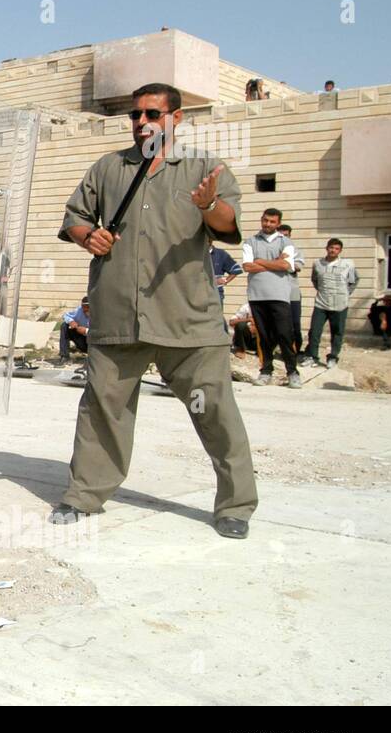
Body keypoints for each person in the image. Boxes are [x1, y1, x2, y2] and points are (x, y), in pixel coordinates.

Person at [51, 82, 258, 540]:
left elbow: (228, 224)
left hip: (188, 319)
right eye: (135, 115)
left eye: (152, 114)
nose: (142, 121)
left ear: (176, 118)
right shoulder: (108, 168)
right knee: (103, 409)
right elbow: (75, 218)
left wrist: (207, 204)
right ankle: (85, 494)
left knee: (216, 412)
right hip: (117, 314)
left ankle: (236, 504)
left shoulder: (205, 169)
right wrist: (91, 237)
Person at [242, 209, 300, 387]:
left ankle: (292, 372)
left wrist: (260, 261)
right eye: (265, 220)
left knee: (284, 333)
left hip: (280, 295)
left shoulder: (286, 242)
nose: (268, 224)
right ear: (261, 220)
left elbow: (287, 265)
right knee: (264, 335)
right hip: (257, 295)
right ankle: (265, 371)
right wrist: (274, 263)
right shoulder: (250, 242)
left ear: (278, 223)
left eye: (272, 222)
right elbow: (247, 266)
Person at [305, 239, 358, 368]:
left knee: (337, 331)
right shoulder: (318, 263)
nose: (333, 250)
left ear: (340, 250)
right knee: (315, 331)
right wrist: (324, 292)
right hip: (321, 303)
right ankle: (313, 356)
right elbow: (315, 280)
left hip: (340, 304)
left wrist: (344, 294)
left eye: (336, 248)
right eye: (331, 247)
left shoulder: (348, 264)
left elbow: (353, 281)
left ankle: (333, 357)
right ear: (326, 248)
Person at [276, 224, 305, 355]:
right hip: (275, 291)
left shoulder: (294, 249)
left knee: (294, 323)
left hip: (292, 292)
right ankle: (281, 349)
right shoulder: (270, 249)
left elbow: (299, 266)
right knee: (277, 323)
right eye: (281, 235)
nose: (283, 238)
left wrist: (282, 264)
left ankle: (296, 351)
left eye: (286, 235)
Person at [58, 297, 91, 363]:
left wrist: (86, 331)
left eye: (88, 307)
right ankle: (64, 356)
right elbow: (66, 316)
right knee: (64, 326)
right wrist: (71, 321)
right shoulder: (79, 311)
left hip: (94, 343)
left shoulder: (100, 314)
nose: (86, 309)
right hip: (82, 341)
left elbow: (103, 331)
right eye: (84, 307)